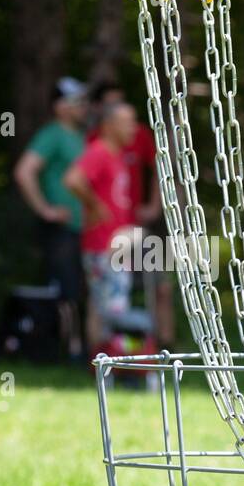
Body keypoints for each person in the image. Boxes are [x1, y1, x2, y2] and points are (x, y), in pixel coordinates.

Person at [88, 82, 174, 347]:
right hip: (107, 236)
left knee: (159, 283)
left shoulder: (139, 137)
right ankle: (102, 356)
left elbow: (162, 165)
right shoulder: (98, 145)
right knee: (106, 296)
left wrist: (153, 205)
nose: (131, 125)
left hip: (135, 228)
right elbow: (78, 179)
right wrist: (94, 207)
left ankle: (161, 347)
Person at [63, 101, 153, 347]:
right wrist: (94, 205)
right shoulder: (100, 151)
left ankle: (104, 365)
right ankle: (110, 366)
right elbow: (73, 179)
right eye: (127, 123)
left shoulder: (118, 156)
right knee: (112, 308)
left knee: (101, 306)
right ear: (109, 126)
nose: (133, 129)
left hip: (115, 245)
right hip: (104, 245)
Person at [12, 77, 89, 359]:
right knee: (66, 291)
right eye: (75, 101)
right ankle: (69, 351)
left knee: (83, 288)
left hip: (85, 227)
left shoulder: (82, 136)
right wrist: (45, 209)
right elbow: (24, 171)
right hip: (61, 228)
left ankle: (84, 349)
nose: (82, 106)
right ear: (59, 107)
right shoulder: (52, 134)